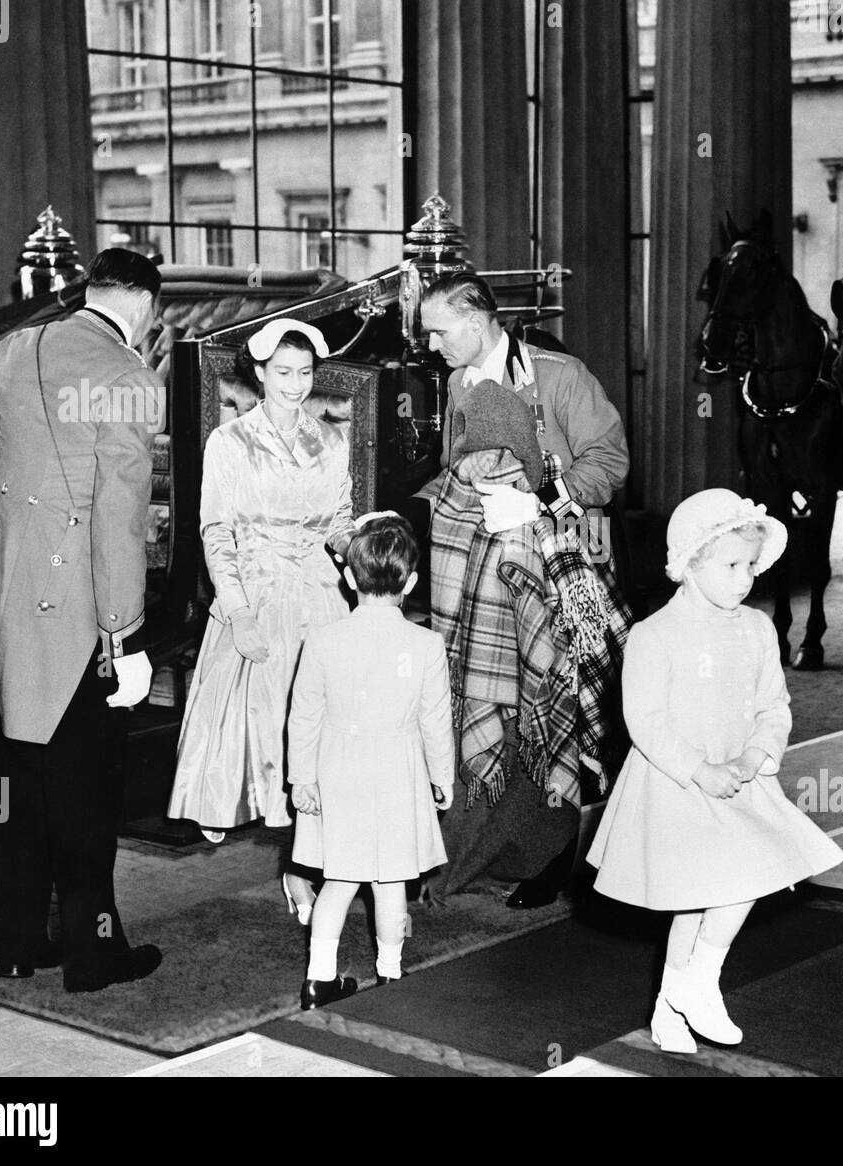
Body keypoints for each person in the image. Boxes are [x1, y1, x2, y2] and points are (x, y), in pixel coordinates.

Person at [0, 249, 165, 991]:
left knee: (14, 782)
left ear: (89, 293)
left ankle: (21, 945)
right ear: (145, 307)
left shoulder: (20, 347)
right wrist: (126, 638)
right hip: (77, 613)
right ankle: (92, 951)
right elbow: (118, 521)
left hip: (2, 606)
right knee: (86, 791)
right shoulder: (129, 379)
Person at [588, 489, 843, 1052]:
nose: (744, 578)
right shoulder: (653, 636)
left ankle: (691, 986)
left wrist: (757, 754)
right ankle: (680, 1000)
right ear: (689, 563)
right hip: (678, 781)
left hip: (740, 778)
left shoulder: (754, 629)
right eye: (730, 565)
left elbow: (774, 705)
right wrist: (700, 769)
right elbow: (646, 721)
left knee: (742, 876)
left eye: (751, 565)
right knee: (697, 895)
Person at [416, 272, 632, 908]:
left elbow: (611, 461)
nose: (431, 345)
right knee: (500, 713)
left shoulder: (561, 376)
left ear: (478, 321)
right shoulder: (458, 385)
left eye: (438, 330)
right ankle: (512, 845)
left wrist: (539, 497)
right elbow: (461, 466)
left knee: (559, 708)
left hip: (565, 567)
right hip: (490, 578)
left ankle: (563, 853)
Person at [166, 317, 355, 922]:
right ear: (259, 373)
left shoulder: (332, 442)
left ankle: (305, 870)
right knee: (266, 737)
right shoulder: (230, 442)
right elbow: (215, 532)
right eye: (283, 373)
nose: (296, 385)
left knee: (321, 740)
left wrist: (365, 564)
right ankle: (293, 866)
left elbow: (340, 521)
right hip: (257, 597)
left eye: (304, 373)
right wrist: (240, 613)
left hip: (320, 599)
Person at [289, 513, 454, 1010]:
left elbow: (304, 717)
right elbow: (435, 723)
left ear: (348, 578)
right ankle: (390, 976)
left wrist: (301, 778)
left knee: (337, 880)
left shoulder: (322, 640)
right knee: (390, 881)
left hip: (337, 768)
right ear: (411, 582)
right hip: (398, 770)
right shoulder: (426, 645)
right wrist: (441, 779)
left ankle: (318, 981)